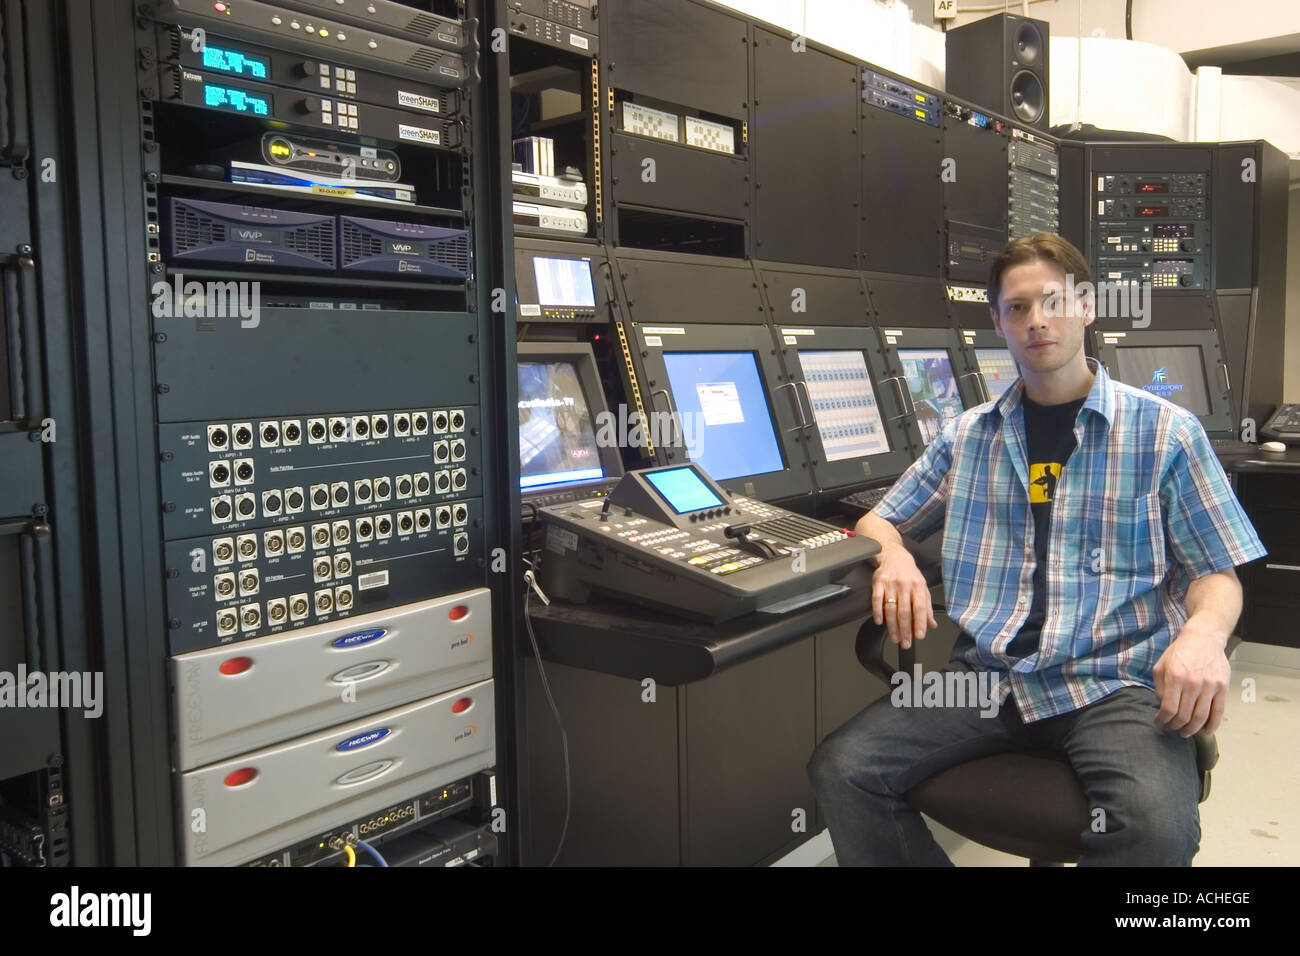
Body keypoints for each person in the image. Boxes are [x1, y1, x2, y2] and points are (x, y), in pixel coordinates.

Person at [807, 233, 1266, 866]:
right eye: (1017, 308)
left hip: (1118, 682)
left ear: (1087, 307)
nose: (1036, 321)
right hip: (986, 680)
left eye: (1052, 301)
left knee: (1153, 831)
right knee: (845, 768)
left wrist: (1203, 636)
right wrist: (895, 555)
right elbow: (877, 521)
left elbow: (1217, 571)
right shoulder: (969, 436)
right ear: (996, 321)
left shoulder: (1164, 433)